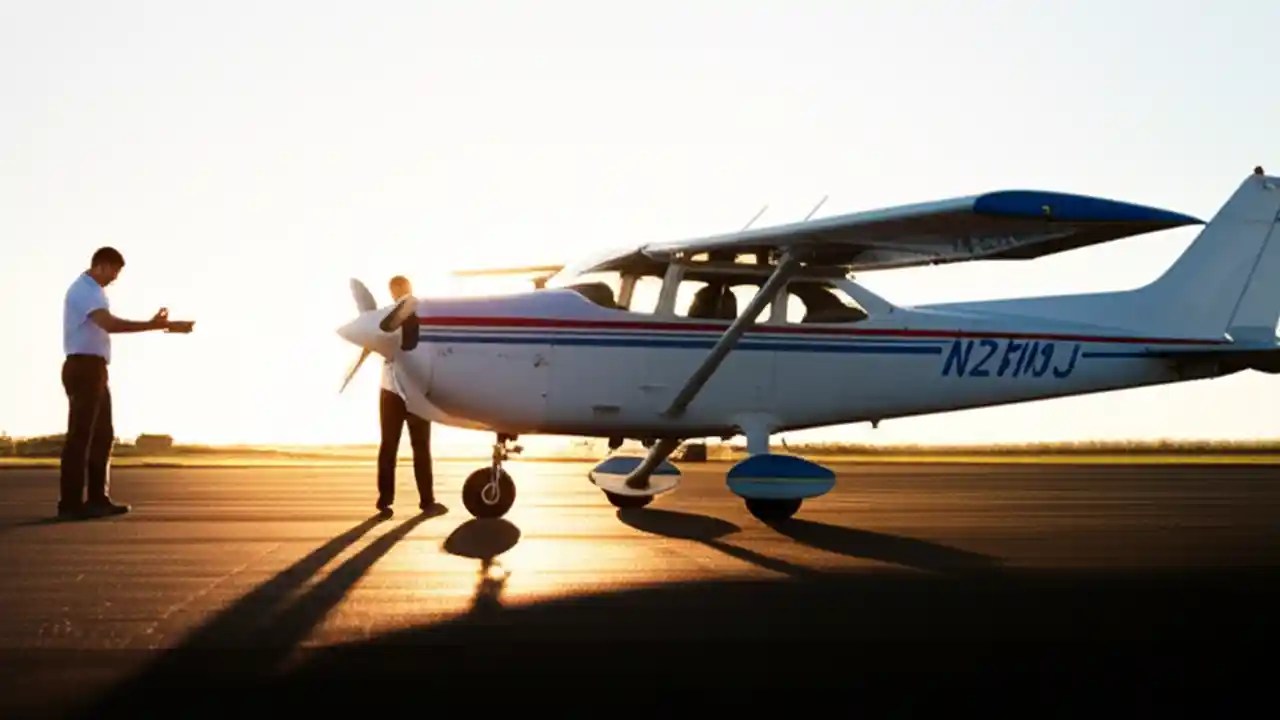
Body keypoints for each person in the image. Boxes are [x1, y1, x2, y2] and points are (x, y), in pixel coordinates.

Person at [59, 246, 194, 519]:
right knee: (80, 438)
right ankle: (71, 505)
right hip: (84, 367)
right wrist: (155, 325)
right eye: (114, 271)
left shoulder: (94, 291)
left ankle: (97, 499)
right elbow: (108, 324)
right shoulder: (84, 290)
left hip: (94, 367)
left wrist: (158, 325)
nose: (115, 278)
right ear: (101, 266)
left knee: (102, 435)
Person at [376, 275, 434, 514]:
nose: (399, 292)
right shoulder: (384, 317)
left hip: (416, 388)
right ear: (391, 292)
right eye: (395, 289)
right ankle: (385, 500)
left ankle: (427, 500)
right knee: (390, 446)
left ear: (408, 288)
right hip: (391, 389)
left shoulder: (424, 314)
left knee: (420, 447)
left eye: (402, 288)